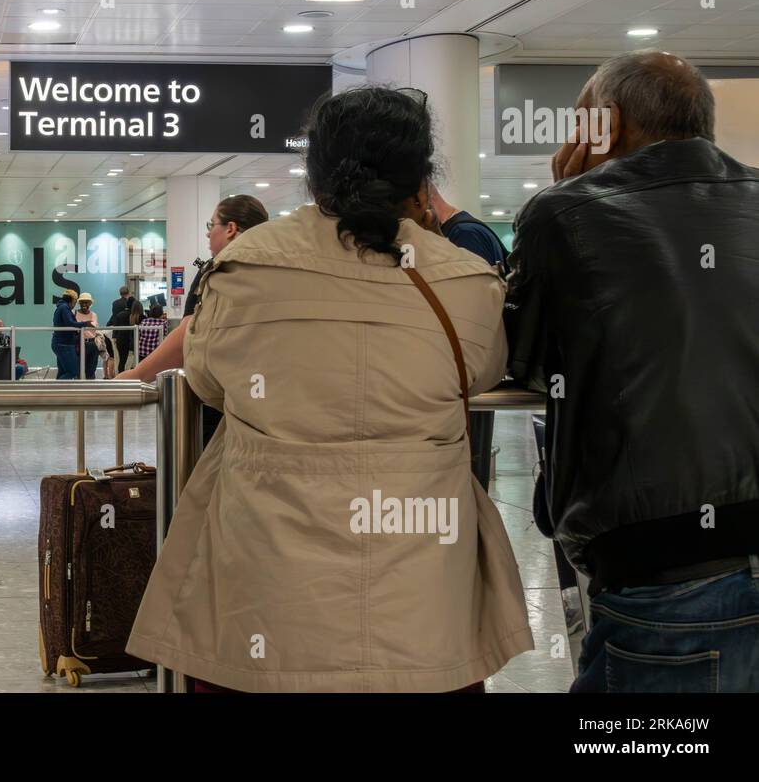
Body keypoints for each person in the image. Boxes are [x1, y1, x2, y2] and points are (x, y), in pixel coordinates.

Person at [128, 86, 532, 692]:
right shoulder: (467, 280)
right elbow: (479, 373)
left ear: (314, 172)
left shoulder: (247, 267)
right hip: (420, 587)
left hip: (266, 585)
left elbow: (207, 380)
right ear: (420, 178)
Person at [506, 50, 759, 692]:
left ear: (606, 125)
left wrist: (560, 194)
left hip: (668, 565)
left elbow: (525, 363)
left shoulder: (564, 213)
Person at [117, 194, 268, 384]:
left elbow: (187, 337)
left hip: (225, 388)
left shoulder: (216, 270)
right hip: (274, 386)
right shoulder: (281, 269)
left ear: (230, 229)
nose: (208, 233)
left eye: (211, 225)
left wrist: (136, 375)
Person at [429, 183, 511, 490]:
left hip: (471, 371)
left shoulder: (464, 235)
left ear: (425, 198)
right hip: (475, 370)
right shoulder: (470, 230)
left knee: (468, 474)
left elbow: (469, 312)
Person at [51, 289, 80, 380]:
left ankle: (56, 393)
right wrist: (84, 324)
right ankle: (54, 389)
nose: (75, 304)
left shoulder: (61, 307)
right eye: (75, 301)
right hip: (64, 344)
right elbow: (70, 323)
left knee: (63, 371)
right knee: (72, 371)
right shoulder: (64, 308)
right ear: (72, 300)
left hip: (60, 343)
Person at [74, 291, 100, 380]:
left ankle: (91, 391)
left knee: (91, 370)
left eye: (87, 302)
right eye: (82, 302)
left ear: (90, 303)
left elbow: (95, 328)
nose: (84, 304)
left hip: (92, 344)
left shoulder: (94, 315)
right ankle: (79, 391)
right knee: (79, 369)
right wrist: (87, 324)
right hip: (80, 344)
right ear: (79, 303)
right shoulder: (74, 314)